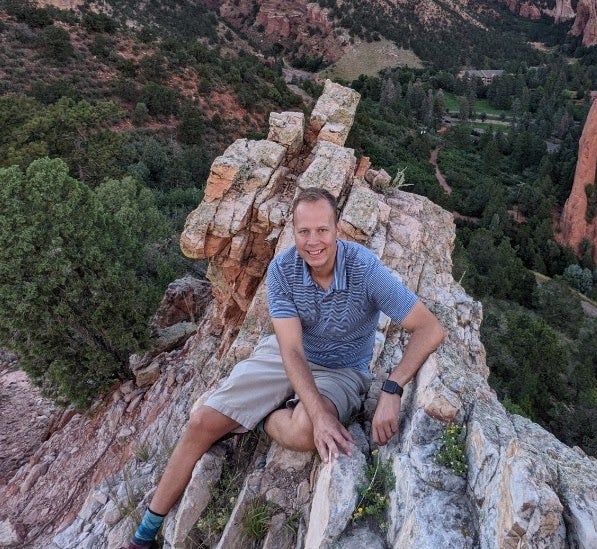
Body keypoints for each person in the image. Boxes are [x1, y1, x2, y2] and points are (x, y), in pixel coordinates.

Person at [126, 187, 446, 549]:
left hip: (341, 369)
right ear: (294, 232)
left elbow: (429, 327)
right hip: (284, 356)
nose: (313, 242)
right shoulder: (283, 270)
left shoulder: (364, 270)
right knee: (201, 421)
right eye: (304, 232)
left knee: (307, 432)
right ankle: (144, 535)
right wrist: (319, 410)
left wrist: (392, 387)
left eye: (322, 230)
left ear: (337, 228)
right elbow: (291, 350)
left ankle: (260, 417)